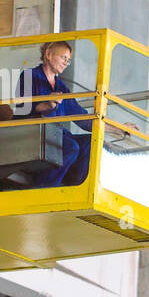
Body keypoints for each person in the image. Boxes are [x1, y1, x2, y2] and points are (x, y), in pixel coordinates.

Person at [15, 40, 93, 188]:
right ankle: (42, 189)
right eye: (64, 58)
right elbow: (23, 109)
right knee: (71, 147)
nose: (66, 63)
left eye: (68, 60)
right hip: (31, 132)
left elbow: (84, 119)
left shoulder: (62, 88)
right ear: (49, 54)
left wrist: (119, 128)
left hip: (55, 135)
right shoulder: (29, 76)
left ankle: (72, 188)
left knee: (90, 143)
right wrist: (47, 104)